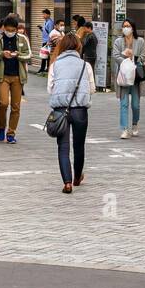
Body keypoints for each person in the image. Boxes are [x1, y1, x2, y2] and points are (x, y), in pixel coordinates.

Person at [48, 32, 94, 193]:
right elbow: (92, 89)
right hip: (80, 110)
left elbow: (50, 88)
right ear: (77, 46)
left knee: (63, 147)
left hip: (61, 110)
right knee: (79, 146)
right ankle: (77, 178)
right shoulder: (85, 65)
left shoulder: (55, 65)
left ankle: (67, 182)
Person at [0, 13, 32, 143]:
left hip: (18, 77)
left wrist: (18, 55)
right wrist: (2, 54)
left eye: (13, 30)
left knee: (16, 106)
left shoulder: (22, 39)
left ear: (16, 28)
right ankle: (1, 127)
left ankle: (11, 133)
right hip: (3, 76)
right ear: (4, 28)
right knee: (3, 103)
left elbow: (29, 55)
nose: (10, 32)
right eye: (8, 30)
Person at [111, 19, 145, 138]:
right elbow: (115, 55)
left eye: (128, 26)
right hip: (123, 76)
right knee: (124, 103)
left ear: (133, 28)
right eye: (124, 26)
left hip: (135, 77)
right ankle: (124, 129)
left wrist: (134, 58)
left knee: (136, 105)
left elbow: (144, 55)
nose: (126, 28)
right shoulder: (118, 41)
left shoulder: (140, 41)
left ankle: (135, 123)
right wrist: (125, 60)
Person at [38, 9, 54, 73]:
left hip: (47, 41)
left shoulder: (50, 22)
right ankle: (43, 69)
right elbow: (45, 31)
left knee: (46, 56)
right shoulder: (45, 22)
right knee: (44, 55)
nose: (43, 15)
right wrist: (41, 28)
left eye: (44, 14)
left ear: (48, 15)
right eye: (43, 14)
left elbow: (50, 33)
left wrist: (49, 42)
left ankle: (46, 69)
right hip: (44, 40)